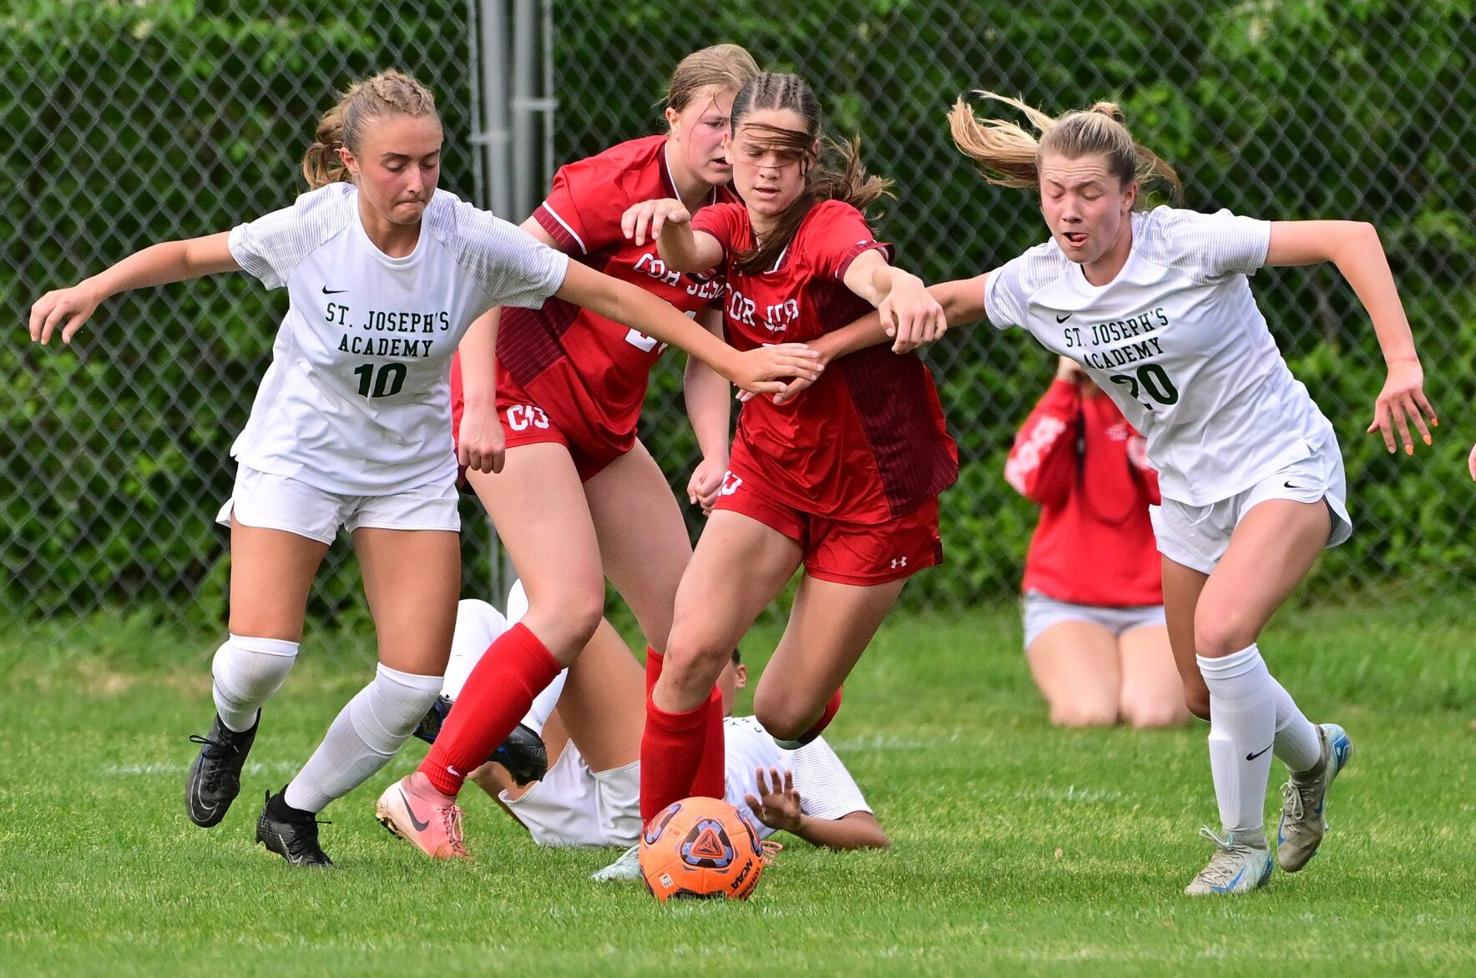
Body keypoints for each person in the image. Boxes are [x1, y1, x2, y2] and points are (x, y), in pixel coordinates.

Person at [27, 68, 816, 868]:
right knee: (264, 658)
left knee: (413, 687)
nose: (416, 183)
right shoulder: (316, 227)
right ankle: (236, 728)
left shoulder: (467, 235)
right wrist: (96, 285)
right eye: (395, 165)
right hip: (303, 453)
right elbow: (195, 253)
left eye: (431, 163)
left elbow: (612, 297)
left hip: (409, 473)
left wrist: (732, 365)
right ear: (348, 160)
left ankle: (295, 811)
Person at [897, 90, 1434, 894]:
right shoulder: (1041, 279)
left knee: (1223, 635)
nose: (1070, 211)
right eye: (1055, 193)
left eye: (1088, 194)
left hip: (1283, 459)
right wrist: (807, 352)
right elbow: (943, 303)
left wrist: (1401, 363)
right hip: (1189, 492)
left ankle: (1241, 845)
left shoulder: (1189, 243)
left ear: (1128, 196)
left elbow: (1348, 238)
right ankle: (1316, 757)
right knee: (1197, 691)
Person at [371, 46, 817, 861]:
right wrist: (474, 402)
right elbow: (487, 275)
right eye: (714, 120)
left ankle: (687, 833)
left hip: (602, 429)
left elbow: (708, 346)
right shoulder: (609, 184)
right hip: (516, 400)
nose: (728, 141)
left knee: (701, 641)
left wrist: (716, 453)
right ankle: (427, 789)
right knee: (571, 607)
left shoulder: (731, 217)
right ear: (673, 116)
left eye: (741, 127)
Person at [616, 71, 957, 840]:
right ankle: (662, 842)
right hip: (772, 471)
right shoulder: (728, 226)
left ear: (810, 163)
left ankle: (810, 684)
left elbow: (866, 268)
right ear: (729, 149)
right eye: (756, 150)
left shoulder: (829, 223)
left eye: (790, 155)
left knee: (782, 714)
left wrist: (896, 288)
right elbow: (694, 250)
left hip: (876, 492)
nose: (770, 170)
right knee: (691, 650)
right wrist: (670, 223)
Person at [402, 587, 886, 880]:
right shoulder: (652, 711)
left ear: (740, 674)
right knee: (476, 612)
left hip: (651, 811)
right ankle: (470, 717)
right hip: (577, 815)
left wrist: (796, 823)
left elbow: (871, 835)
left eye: (708, 657)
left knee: (555, 598)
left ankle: (491, 724)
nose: (690, 663)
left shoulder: (785, 738)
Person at [1005, 355, 1186, 728]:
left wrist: (1137, 408)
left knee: (1156, 715)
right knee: (1088, 713)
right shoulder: (1068, 407)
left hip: (1159, 601)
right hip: (1068, 601)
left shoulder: (1164, 408)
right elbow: (1027, 477)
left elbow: (1182, 491)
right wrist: (1064, 387)